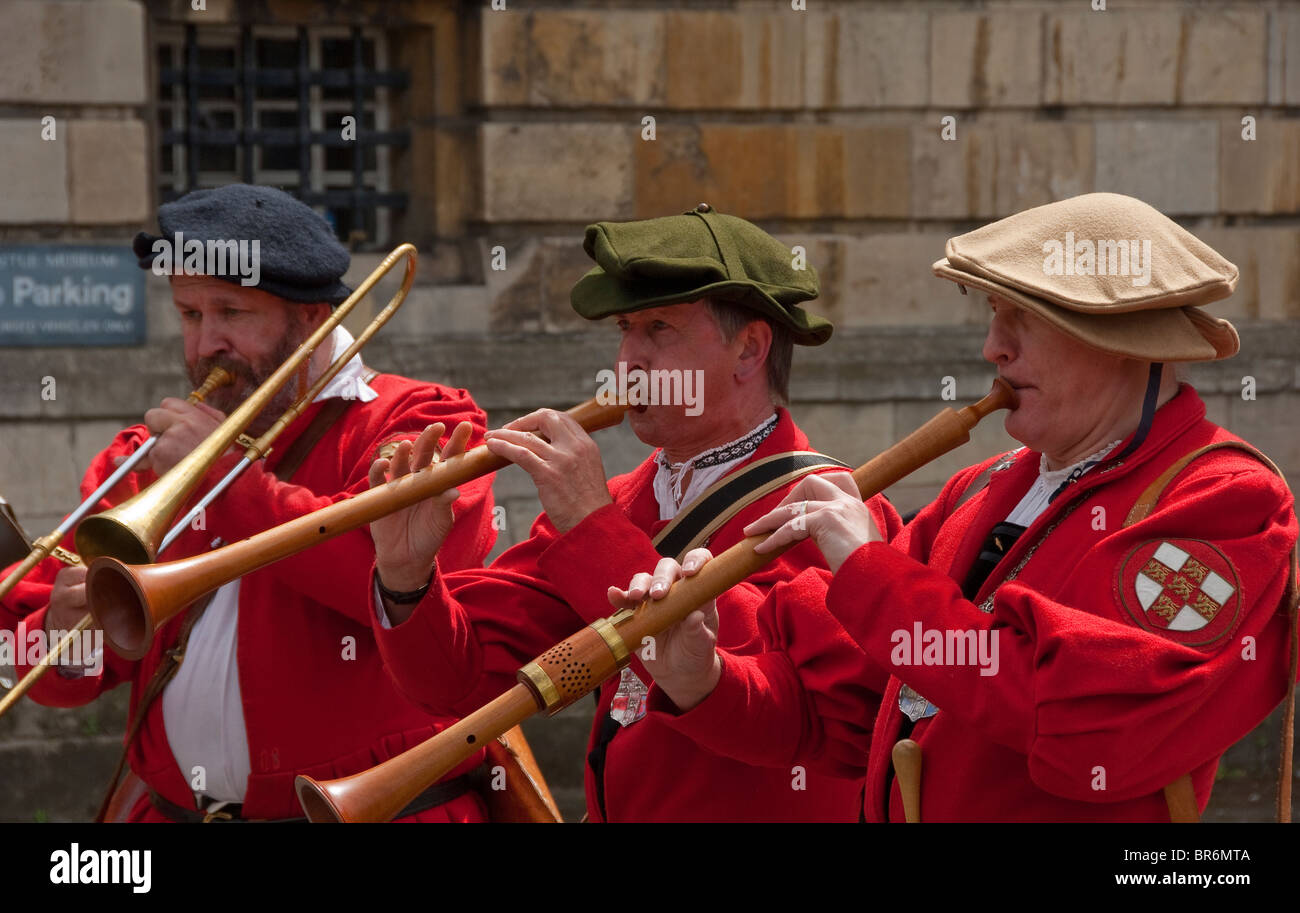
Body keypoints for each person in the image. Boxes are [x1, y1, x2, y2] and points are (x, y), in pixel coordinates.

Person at [616, 192, 1298, 822]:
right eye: (994, 316)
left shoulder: (1224, 498)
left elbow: (1090, 725)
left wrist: (868, 565)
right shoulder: (977, 489)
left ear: (1119, 340)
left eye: (1023, 320)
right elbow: (839, 720)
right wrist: (702, 677)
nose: (992, 347)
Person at [369, 204, 903, 821]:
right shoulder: (620, 500)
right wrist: (406, 577)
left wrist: (594, 526)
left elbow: (806, 721)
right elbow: (460, 684)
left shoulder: (830, 507)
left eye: (659, 329)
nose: (629, 358)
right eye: (625, 328)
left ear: (750, 350)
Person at [2, 184, 498, 822]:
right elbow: (45, 652)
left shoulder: (423, 420)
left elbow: (382, 580)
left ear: (312, 318)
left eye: (231, 313)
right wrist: (60, 641)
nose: (206, 344)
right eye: (189, 315)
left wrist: (233, 485)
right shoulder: (147, 451)